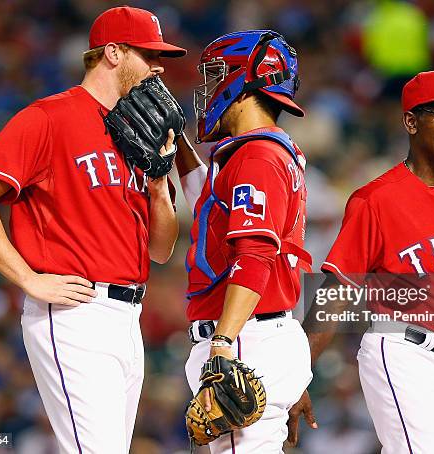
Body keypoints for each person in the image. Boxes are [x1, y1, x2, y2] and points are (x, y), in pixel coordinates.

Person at [0, 6, 184, 453]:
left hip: (127, 316)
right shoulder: (50, 117)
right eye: (148, 54)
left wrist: (158, 188)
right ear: (113, 52)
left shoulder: (141, 131)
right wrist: (26, 277)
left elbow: (161, 250)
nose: (158, 67)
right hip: (76, 312)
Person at [288, 69, 434, 453]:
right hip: (400, 353)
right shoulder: (375, 199)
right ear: (411, 121)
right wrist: (296, 377)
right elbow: (336, 295)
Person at [176, 30, 313, 453]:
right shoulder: (261, 153)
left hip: (243, 337)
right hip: (262, 331)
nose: (209, 87)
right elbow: (215, 207)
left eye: (218, 74)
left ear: (245, 83)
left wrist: (222, 344)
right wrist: (176, 144)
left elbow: (253, 256)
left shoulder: (256, 157)